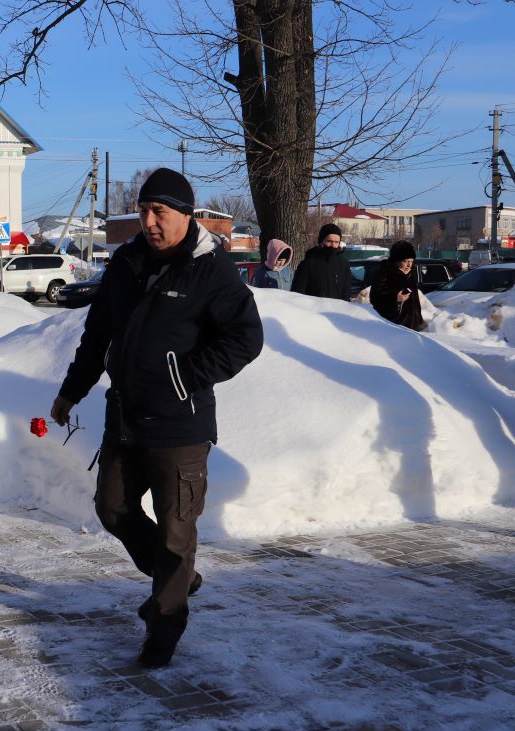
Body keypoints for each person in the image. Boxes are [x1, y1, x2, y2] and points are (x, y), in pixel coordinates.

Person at [50, 168, 263, 668]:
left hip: (179, 426)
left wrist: (185, 377)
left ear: (185, 216)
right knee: (112, 509)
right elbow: (97, 334)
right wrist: (70, 391)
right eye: (144, 211)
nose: (148, 221)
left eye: (158, 212)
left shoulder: (211, 270)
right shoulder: (126, 263)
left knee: (174, 531)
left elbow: (245, 338)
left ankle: (164, 627)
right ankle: (180, 578)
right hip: (125, 416)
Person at [370, 240, 425, 330]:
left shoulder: (410, 275)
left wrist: (418, 320)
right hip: (394, 327)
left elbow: (414, 299)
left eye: (411, 261)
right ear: (396, 260)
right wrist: (395, 298)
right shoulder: (386, 273)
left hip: (412, 327)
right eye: (405, 261)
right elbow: (375, 298)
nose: (409, 264)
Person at [291, 223, 350, 299]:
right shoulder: (308, 264)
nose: (333, 245)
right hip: (312, 309)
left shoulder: (344, 265)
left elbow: (346, 293)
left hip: (335, 309)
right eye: (329, 241)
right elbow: (297, 294)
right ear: (321, 241)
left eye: (336, 242)